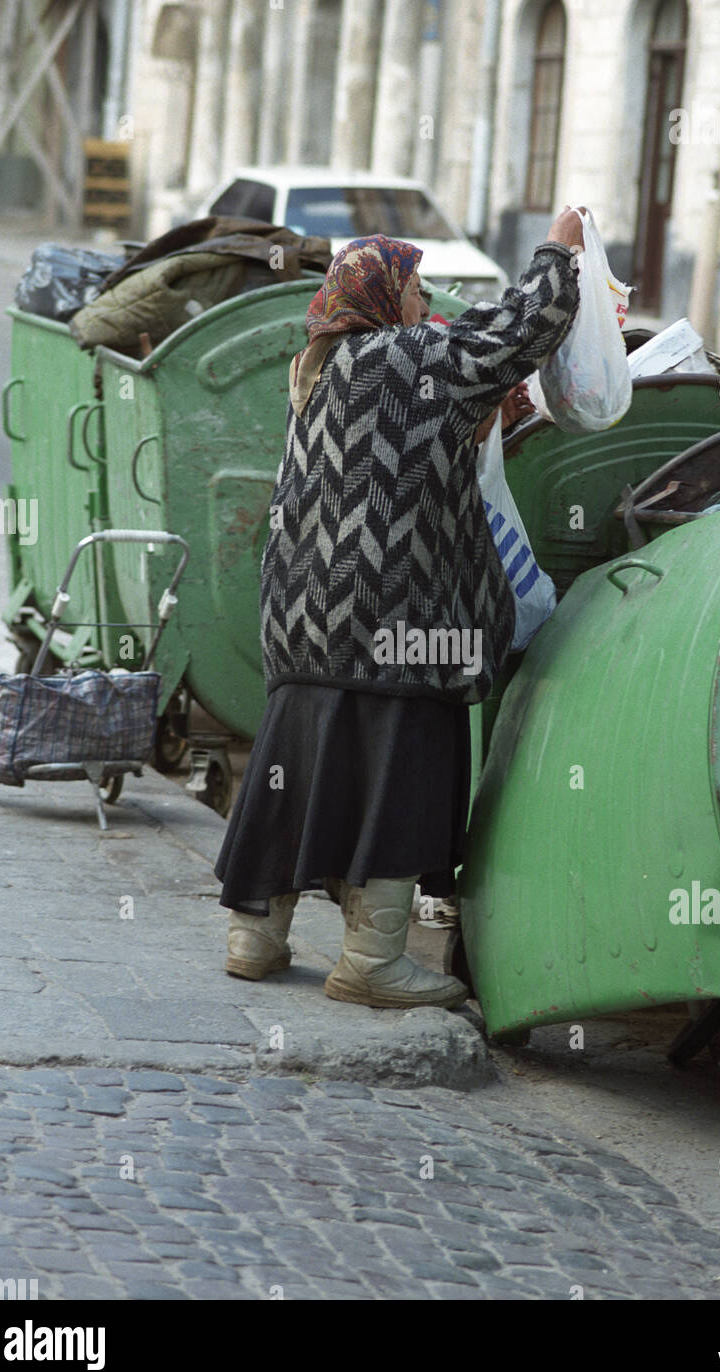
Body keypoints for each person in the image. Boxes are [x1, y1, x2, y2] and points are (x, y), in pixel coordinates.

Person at [214, 206, 584, 1008]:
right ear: (384, 298)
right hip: (396, 618)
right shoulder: (403, 356)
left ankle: (255, 938)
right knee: (401, 764)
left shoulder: (317, 363)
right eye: (414, 289)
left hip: (302, 621)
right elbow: (524, 327)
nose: (423, 304)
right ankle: (372, 961)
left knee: (291, 771)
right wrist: (558, 251)